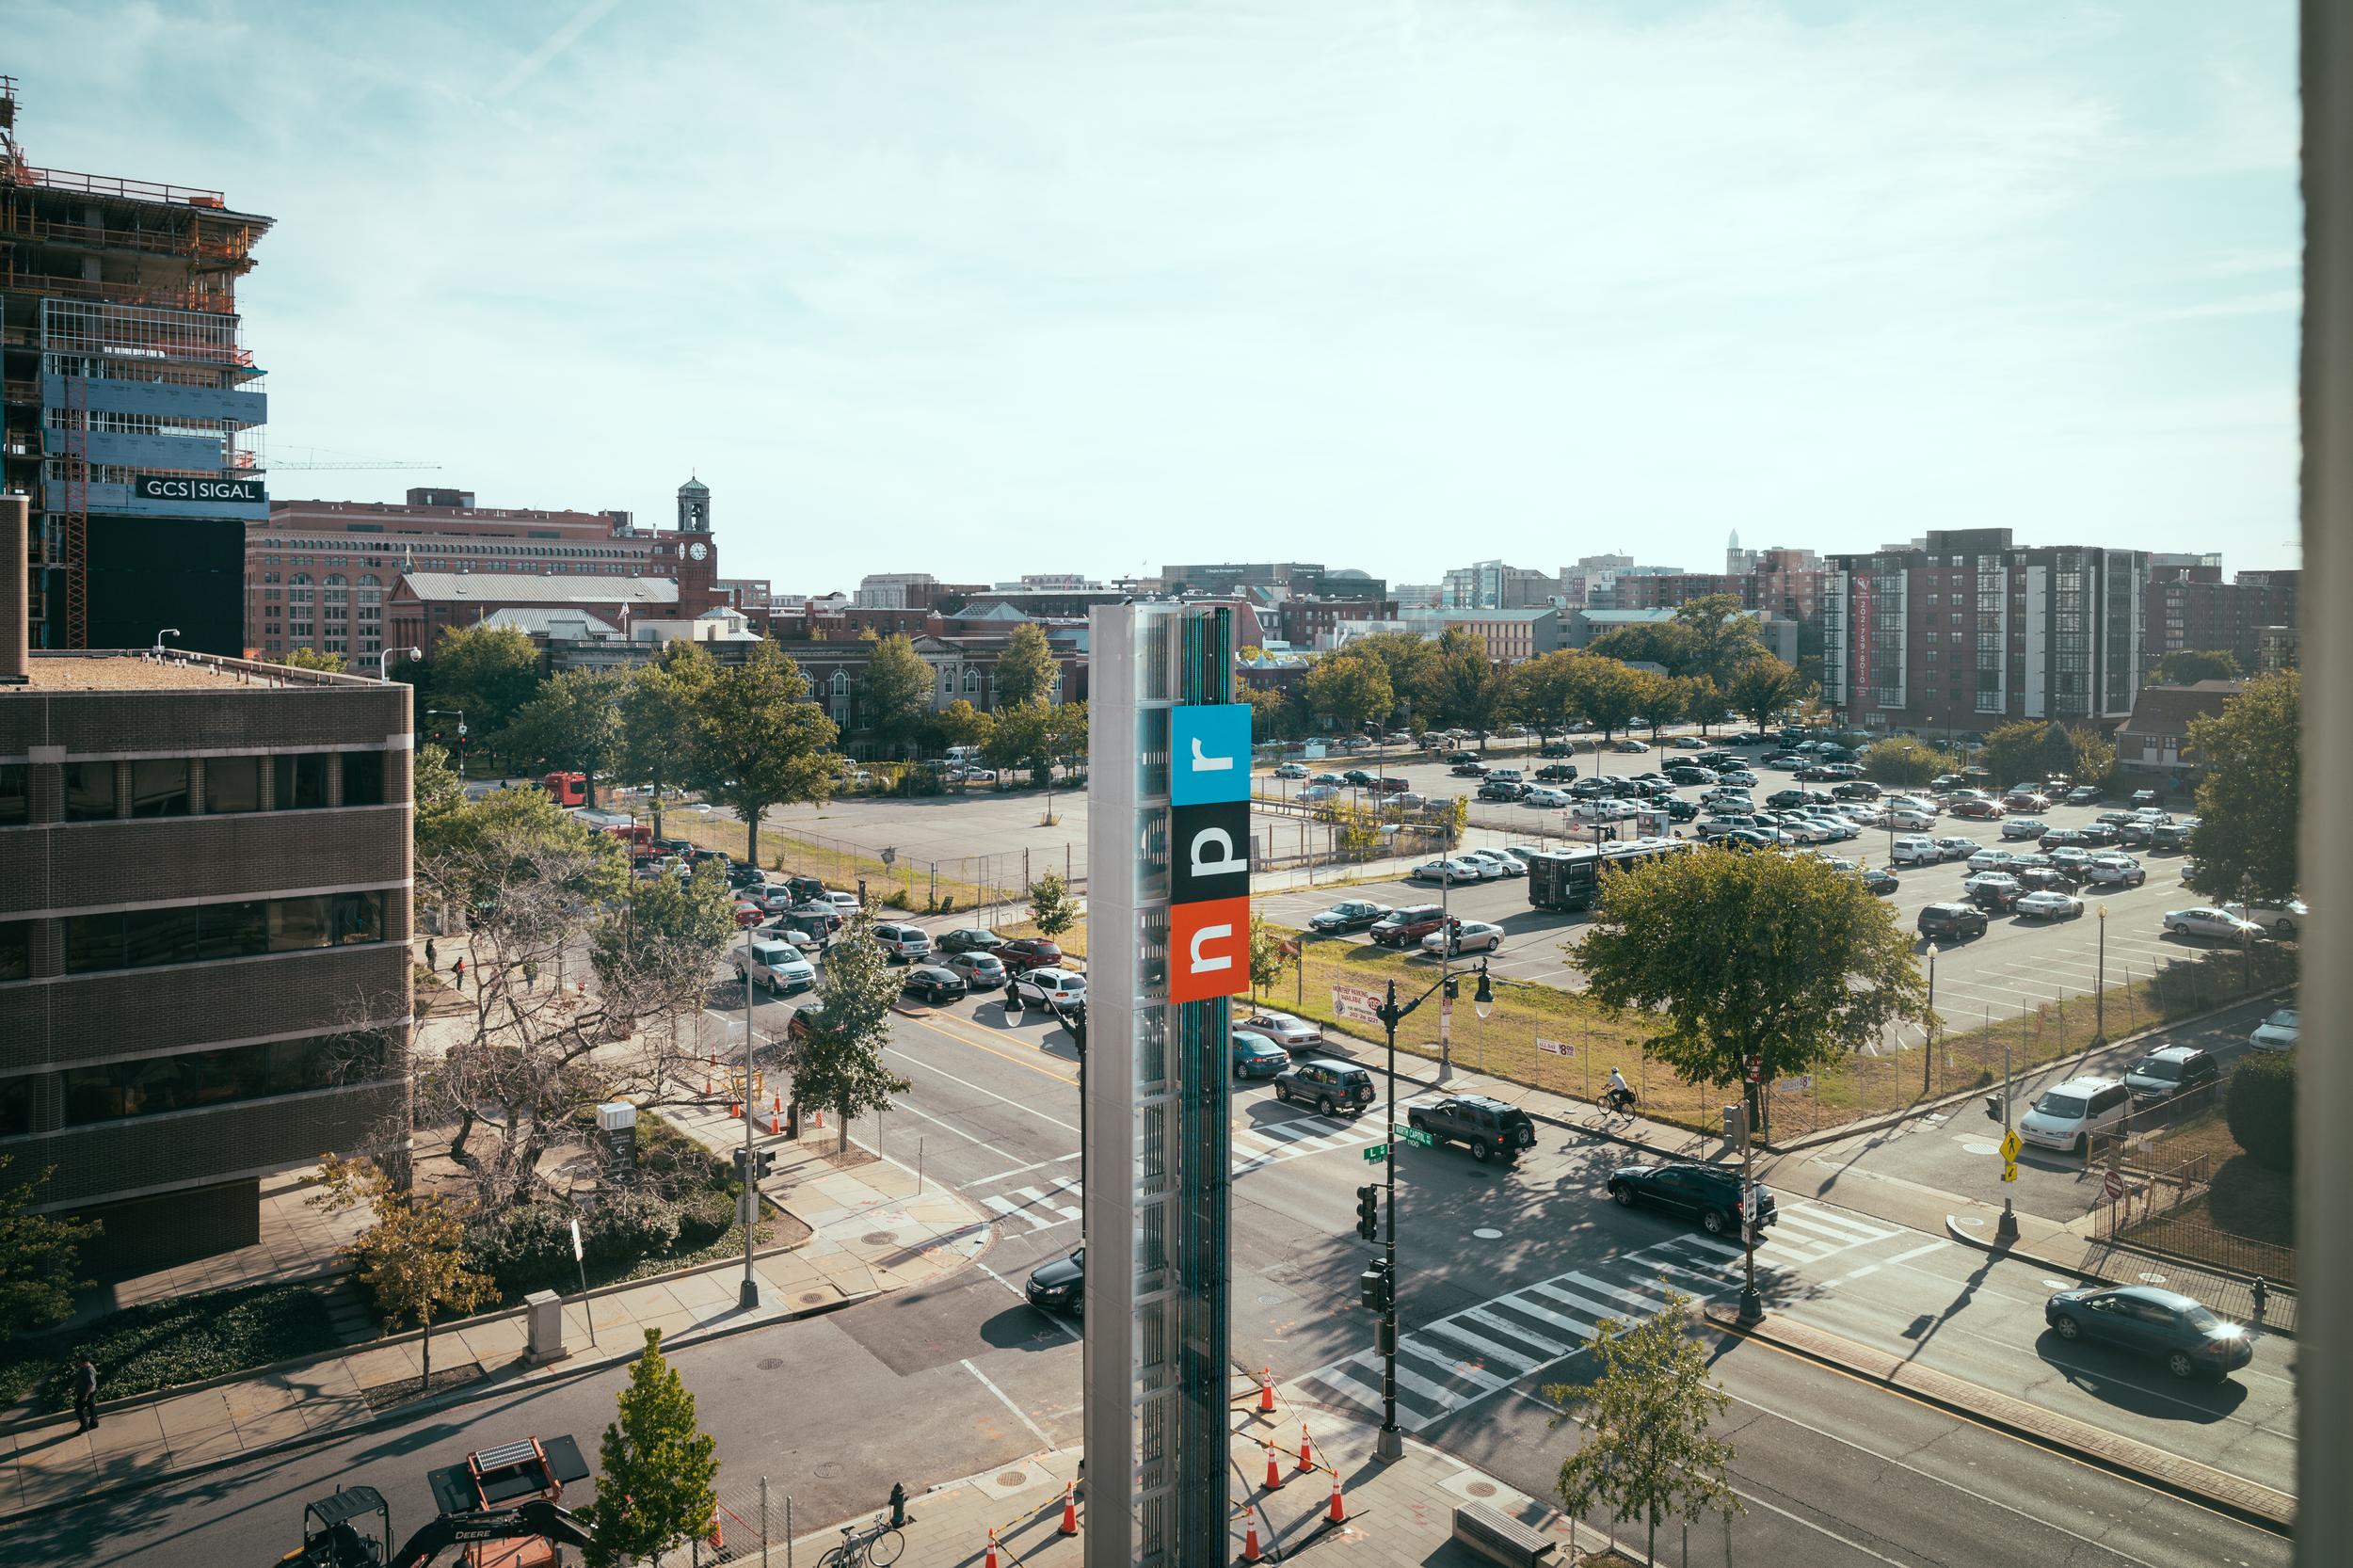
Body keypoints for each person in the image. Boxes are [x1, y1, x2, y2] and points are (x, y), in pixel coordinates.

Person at [72, 1357, 98, 1432]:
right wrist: (70, 1388)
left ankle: (84, 1426)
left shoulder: (89, 1371)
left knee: (78, 1409)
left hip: (88, 1393)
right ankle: (94, 1423)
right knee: (91, 1407)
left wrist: (86, 1395)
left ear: (86, 1362)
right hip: (84, 1392)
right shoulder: (82, 1368)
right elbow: (77, 1379)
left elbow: (90, 1384)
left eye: (81, 1362)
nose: (79, 1364)